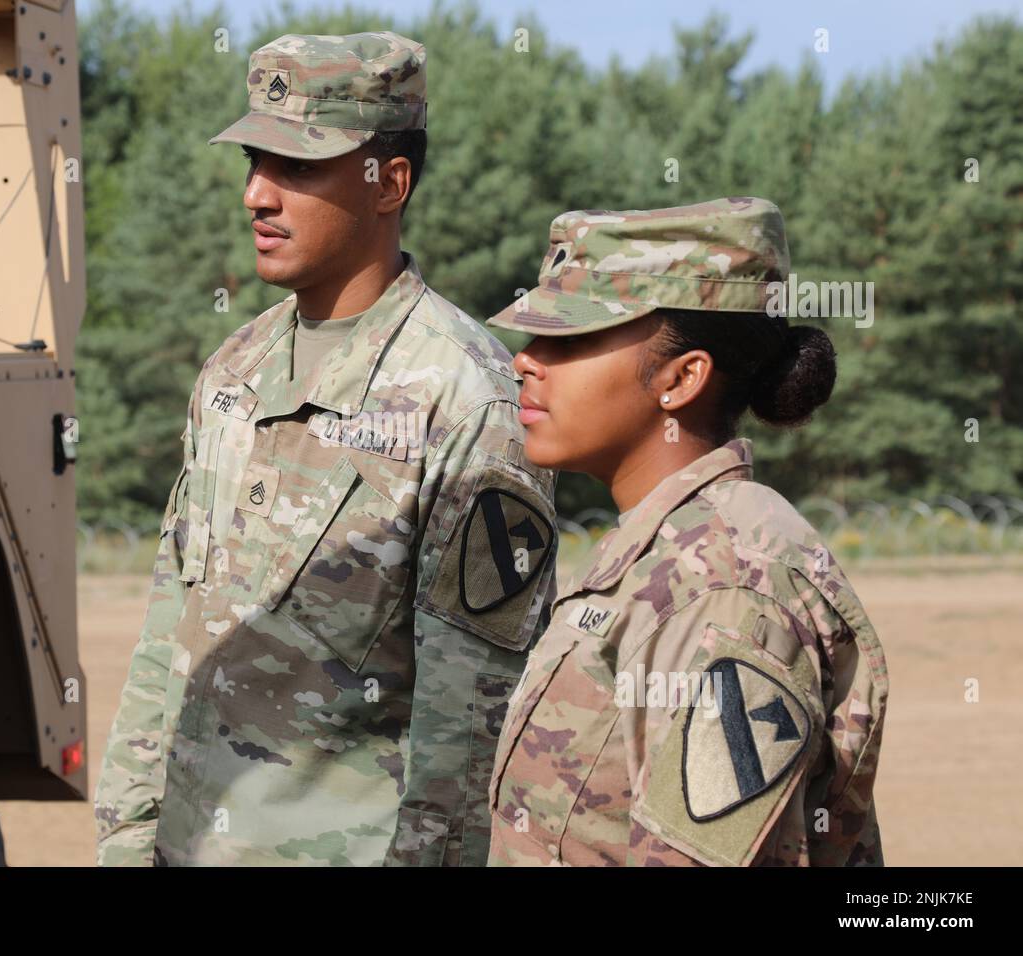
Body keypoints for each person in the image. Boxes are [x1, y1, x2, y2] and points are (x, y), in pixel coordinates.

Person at [94, 31, 559, 866]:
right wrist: (128, 839)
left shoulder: (464, 397)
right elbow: (173, 628)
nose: (256, 196)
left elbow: (467, 730)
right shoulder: (233, 371)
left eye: (297, 168)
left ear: (392, 183)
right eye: (252, 165)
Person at [484, 198, 888, 866]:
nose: (527, 360)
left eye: (570, 339)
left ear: (681, 378)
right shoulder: (664, 551)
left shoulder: (726, 589)